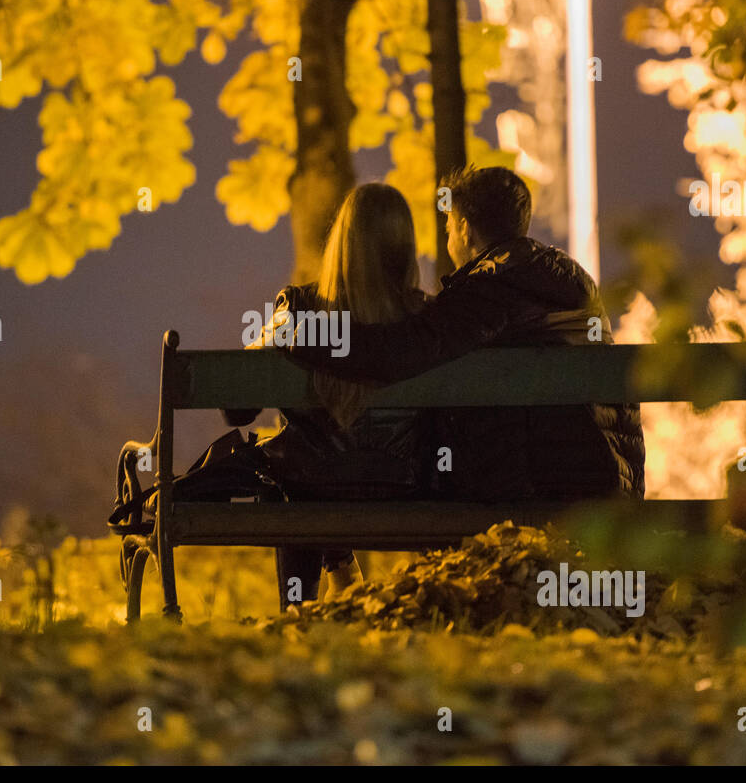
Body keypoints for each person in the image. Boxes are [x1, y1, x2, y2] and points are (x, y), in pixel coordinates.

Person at [278, 166, 645, 502]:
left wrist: (299, 334)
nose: (450, 239)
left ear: (465, 228)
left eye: (450, 228)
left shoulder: (490, 287)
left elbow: (397, 352)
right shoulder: (562, 277)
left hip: (542, 485)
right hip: (602, 475)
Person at [224, 182, 432, 607]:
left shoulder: (299, 311)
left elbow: (237, 409)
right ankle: (347, 573)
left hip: (313, 489)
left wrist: (268, 337)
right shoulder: (430, 321)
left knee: (293, 466)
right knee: (308, 464)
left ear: (340, 243)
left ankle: (299, 608)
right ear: (406, 248)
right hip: (406, 485)